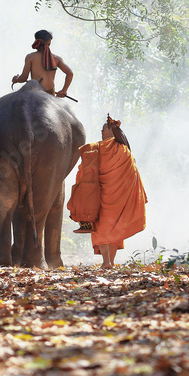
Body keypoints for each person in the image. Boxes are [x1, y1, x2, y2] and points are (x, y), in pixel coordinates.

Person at [67, 115, 147, 269]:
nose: (101, 131)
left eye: (103, 128)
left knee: (101, 228)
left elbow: (84, 172)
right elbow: (133, 174)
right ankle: (110, 262)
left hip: (99, 196)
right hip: (119, 199)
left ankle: (106, 262)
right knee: (115, 228)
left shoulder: (94, 149)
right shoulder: (124, 150)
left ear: (108, 131)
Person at [12, 29, 74, 97]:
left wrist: (16, 79)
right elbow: (70, 73)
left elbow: (23, 78)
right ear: (49, 43)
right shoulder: (57, 59)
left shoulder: (30, 57)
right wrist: (64, 90)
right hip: (51, 94)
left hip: (36, 94)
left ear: (36, 42)